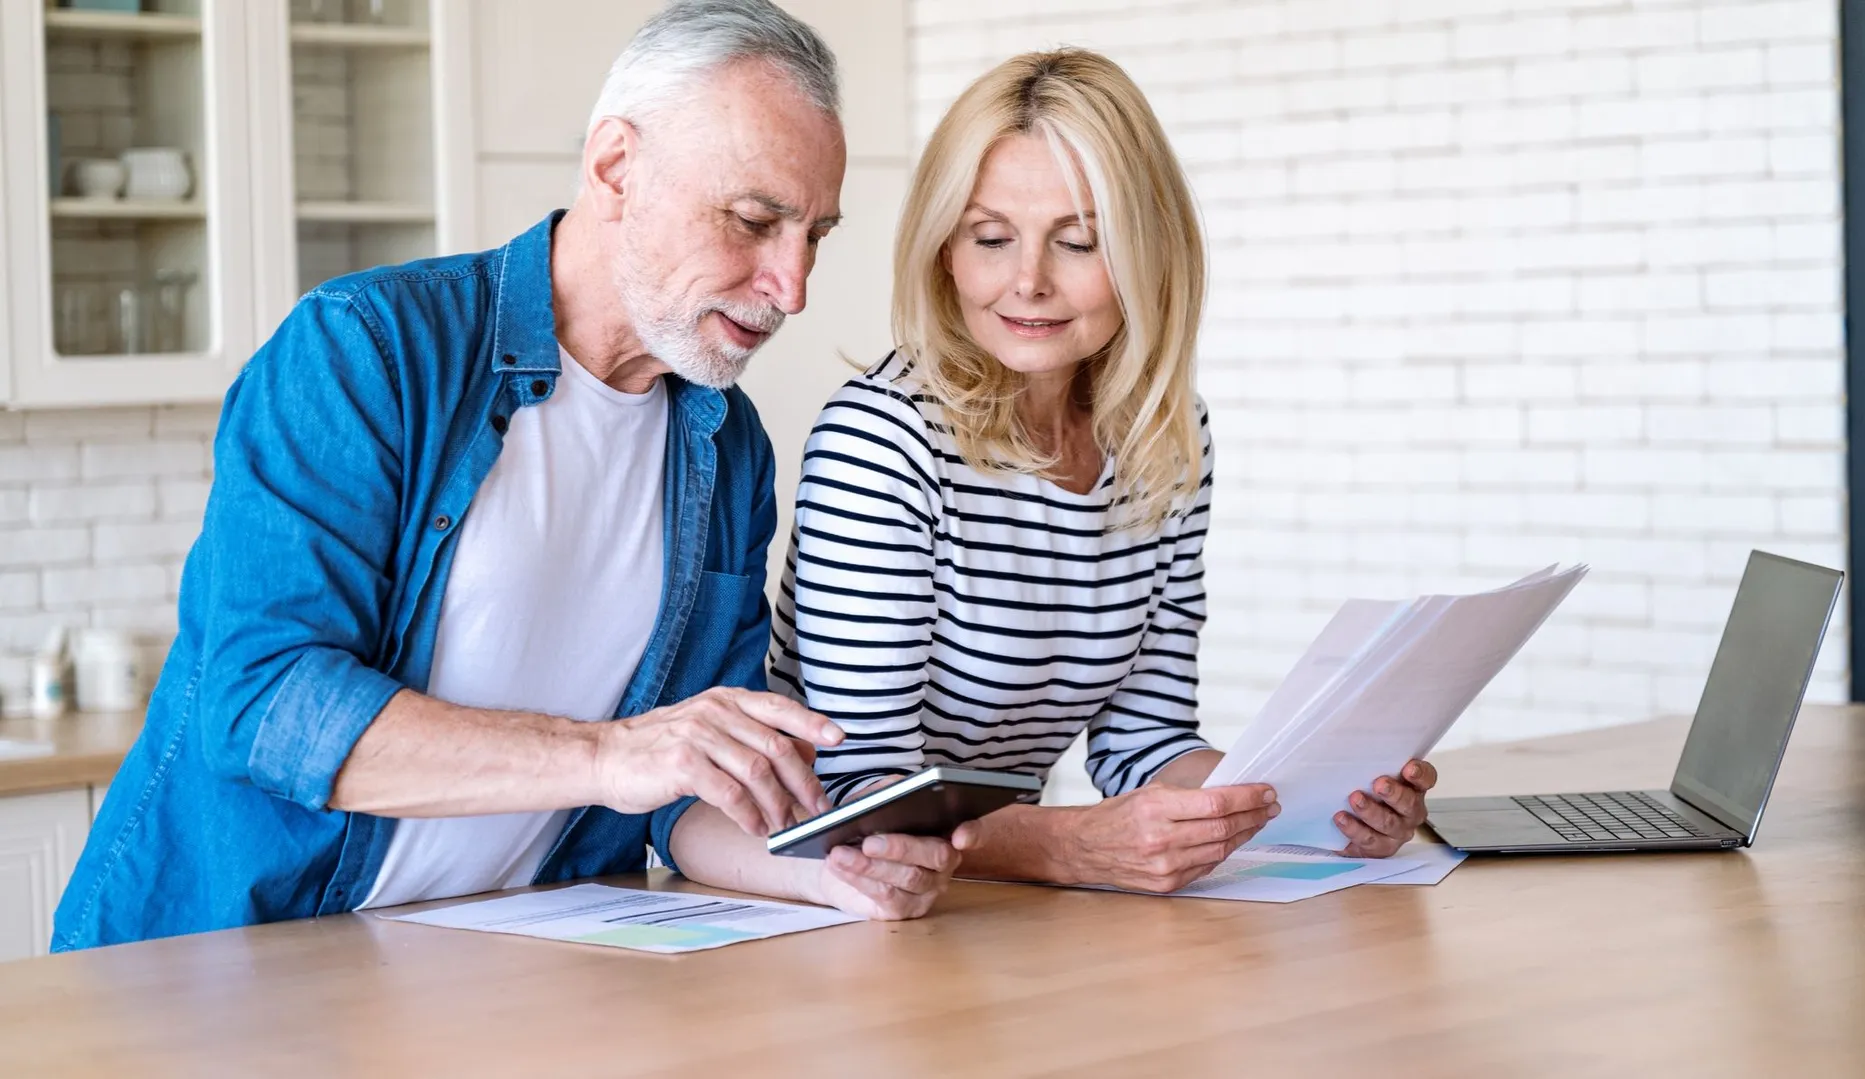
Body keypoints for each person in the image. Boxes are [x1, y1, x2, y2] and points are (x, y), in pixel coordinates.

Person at [53, 0, 959, 951]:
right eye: (753, 220)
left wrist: (832, 869)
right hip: (216, 970)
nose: (793, 286)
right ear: (616, 167)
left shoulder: (725, 445)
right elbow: (264, 704)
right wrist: (608, 757)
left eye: (814, 235)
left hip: (488, 974)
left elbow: (684, 799)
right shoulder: (368, 352)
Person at [768, 49, 1438, 895]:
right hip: (843, 906)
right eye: (990, 237)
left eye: (1079, 241)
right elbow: (861, 790)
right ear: (945, 250)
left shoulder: (1164, 437)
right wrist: (1065, 846)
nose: (1028, 282)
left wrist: (1314, 804)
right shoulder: (884, 439)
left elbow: (1146, 745)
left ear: (1144, 255)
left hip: (988, 902)